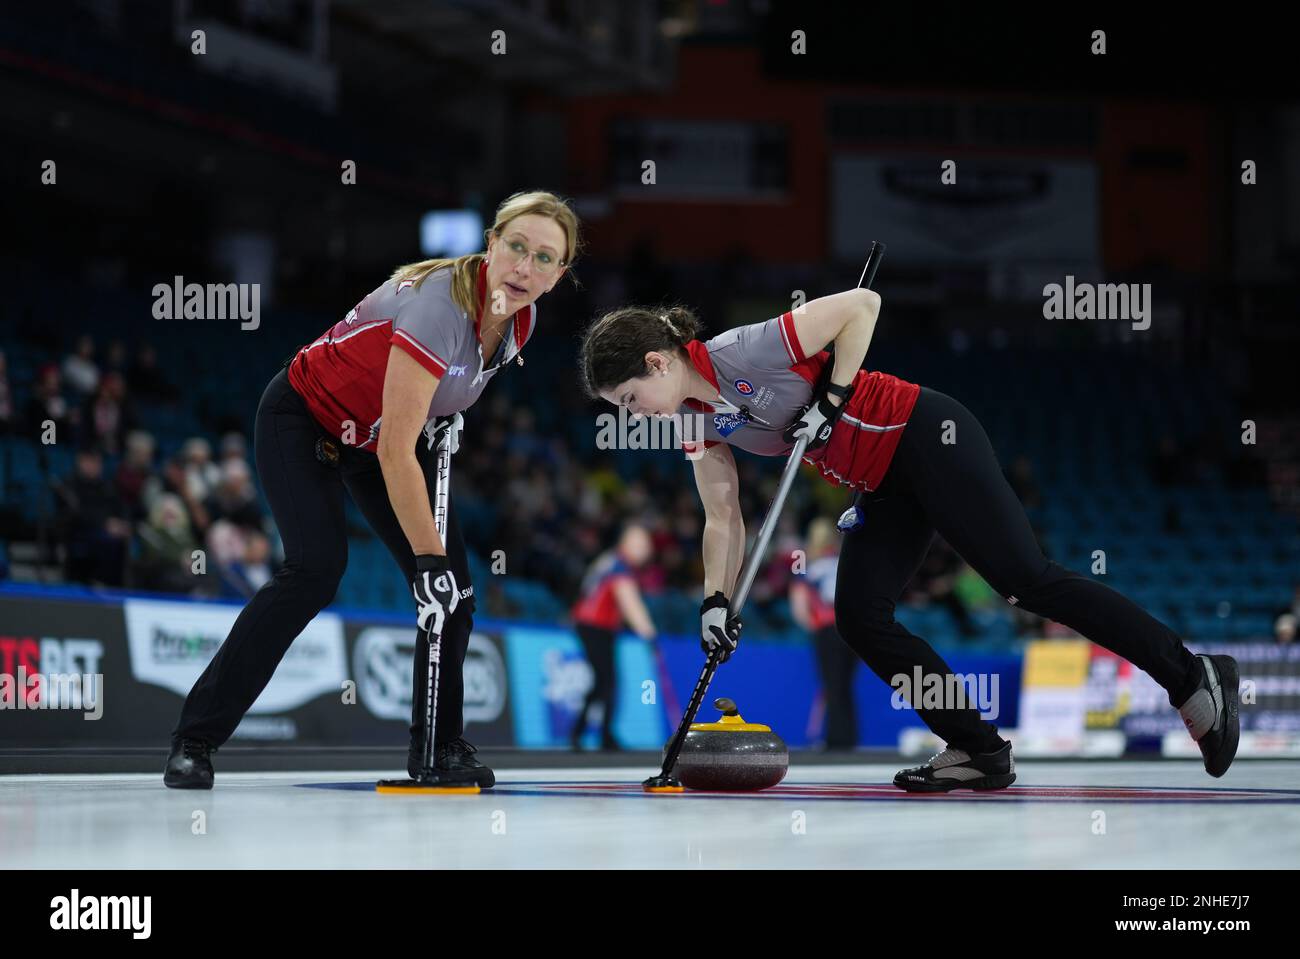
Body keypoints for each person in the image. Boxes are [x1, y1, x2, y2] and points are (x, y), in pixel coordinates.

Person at [580, 290, 1240, 791]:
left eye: (631, 398)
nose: (635, 415)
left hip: (926, 435)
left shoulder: (743, 350)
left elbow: (862, 305)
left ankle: (1190, 675)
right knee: (860, 618)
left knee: (1026, 580)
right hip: (882, 483)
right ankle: (978, 748)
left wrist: (832, 397)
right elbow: (724, 517)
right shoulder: (698, 422)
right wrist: (715, 602)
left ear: (657, 360)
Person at [164, 190, 580, 789]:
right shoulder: (441, 307)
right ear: (491, 243)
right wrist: (427, 559)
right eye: (517, 246)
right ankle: (194, 739)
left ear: (559, 274)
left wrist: (438, 560)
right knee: (316, 570)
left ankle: (437, 748)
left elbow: (423, 411)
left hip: (379, 435)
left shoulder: (522, 321)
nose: (525, 267)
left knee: (456, 593)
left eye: (545, 258)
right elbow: (395, 452)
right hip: (305, 417)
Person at [568, 522, 657, 750]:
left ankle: (582, 732)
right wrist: (647, 631)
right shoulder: (620, 567)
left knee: (602, 681)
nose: (645, 550)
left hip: (593, 626)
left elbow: (588, 585)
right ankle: (603, 736)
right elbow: (630, 603)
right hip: (595, 626)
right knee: (607, 681)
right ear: (627, 542)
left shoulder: (609, 559)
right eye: (641, 544)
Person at [790, 517, 857, 749]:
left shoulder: (803, 560)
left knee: (831, 684)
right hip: (850, 629)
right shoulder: (844, 558)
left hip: (827, 628)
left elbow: (799, 600)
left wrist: (813, 625)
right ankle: (848, 737)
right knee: (845, 684)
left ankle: (836, 739)